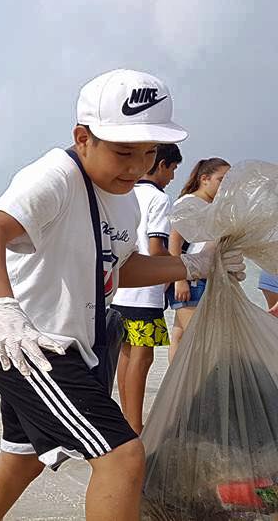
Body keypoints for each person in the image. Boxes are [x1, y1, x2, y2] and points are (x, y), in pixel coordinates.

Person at [0, 70, 245, 521]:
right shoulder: (54, 177)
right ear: (83, 137)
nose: (136, 166)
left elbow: (118, 269)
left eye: (149, 153)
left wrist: (191, 264)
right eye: (123, 151)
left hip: (72, 343)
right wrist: (1, 307)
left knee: (25, 455)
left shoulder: (125, 197)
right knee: (123, 456)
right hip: (28, 344)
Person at [111, 143, 182, 433]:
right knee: (142, 358)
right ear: (161, 164)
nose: (172, 177)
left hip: (117, 289)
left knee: (124, 358)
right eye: (172, 169)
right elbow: (155, 249)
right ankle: (136, 426)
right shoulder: (158, 198)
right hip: (144, 293)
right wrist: (185, 264)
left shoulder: (124, 193)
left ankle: (127, 422)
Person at [166, 157, 231, 363]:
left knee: (180, 335)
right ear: (205, 178)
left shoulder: (210, 205)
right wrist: (179, 279)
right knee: (200, 341)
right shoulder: (189, 203)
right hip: (190, 280)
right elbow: (174, 239)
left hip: (200, 278)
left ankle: (175, 387)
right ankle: (191, 387)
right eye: (222, 180)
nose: (225, 186)